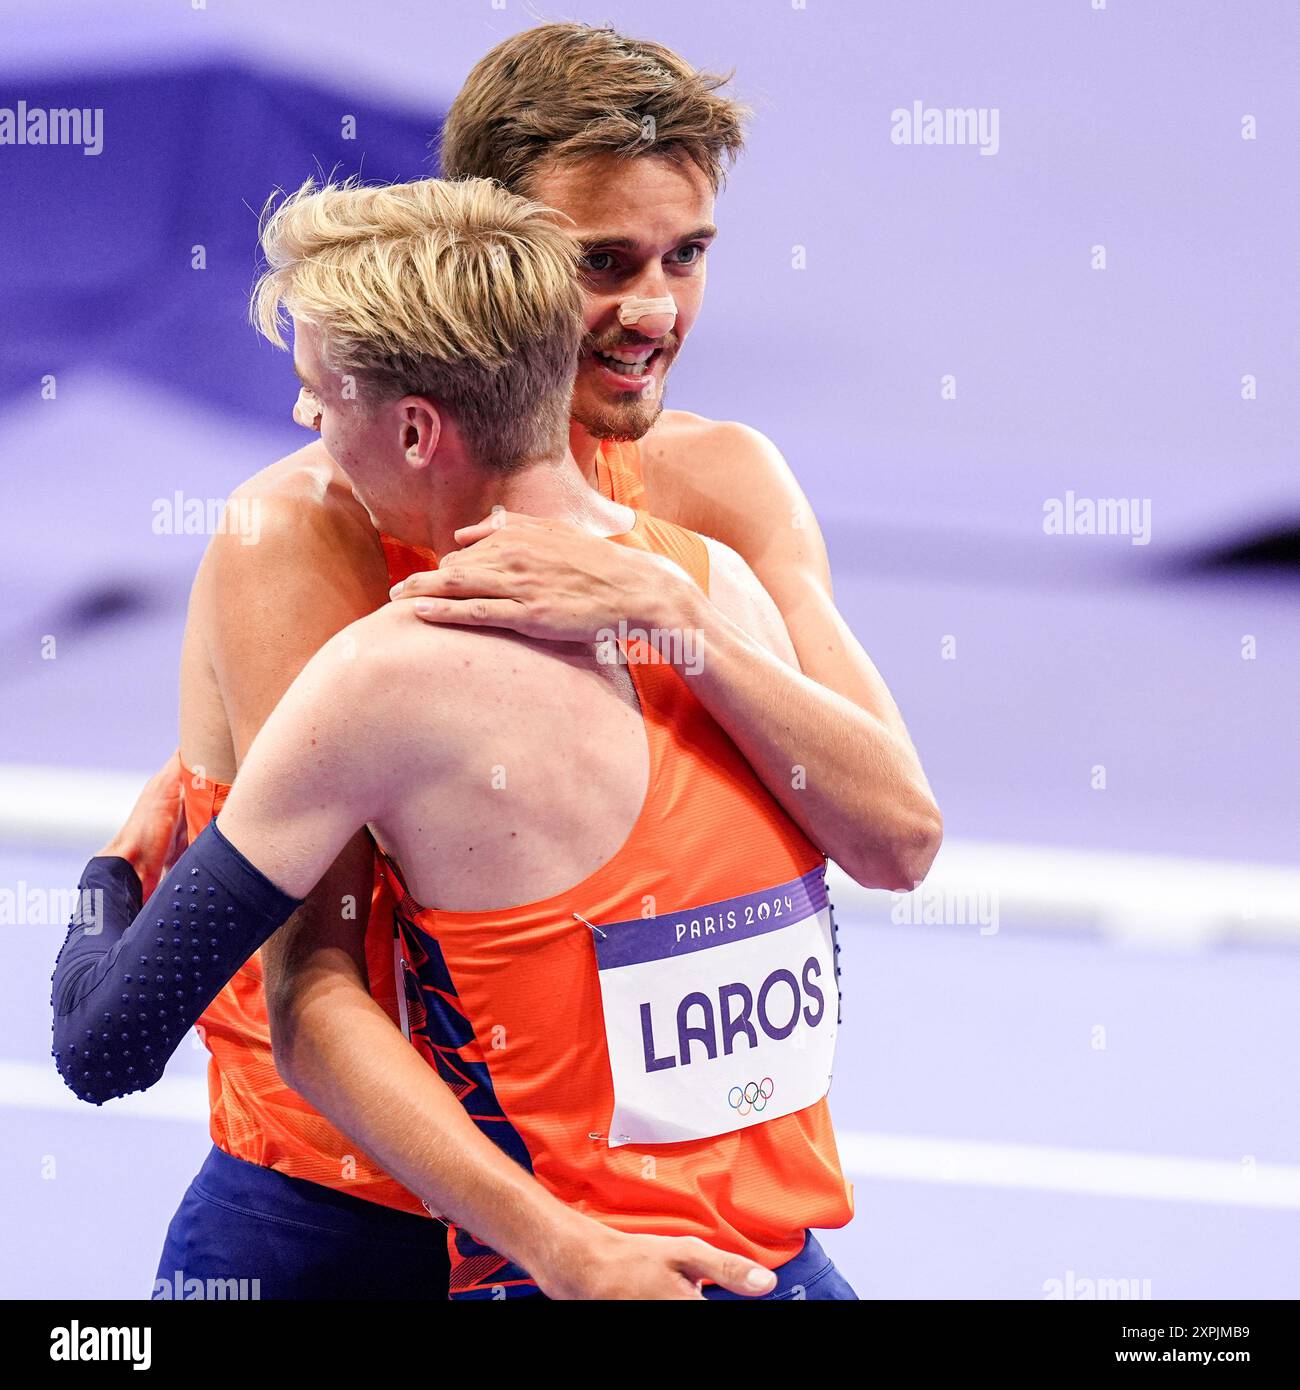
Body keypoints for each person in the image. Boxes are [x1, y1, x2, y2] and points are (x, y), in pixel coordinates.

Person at [54, 22, 940, 1298]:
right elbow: (319, 986)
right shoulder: (304, 535)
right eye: (602, 263)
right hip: (339, 1211)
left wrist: (662, 613)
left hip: (648, 1220)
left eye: (685, 256)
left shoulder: (718, 500)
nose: (653, 310)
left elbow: (897, 834)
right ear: (490, 246)